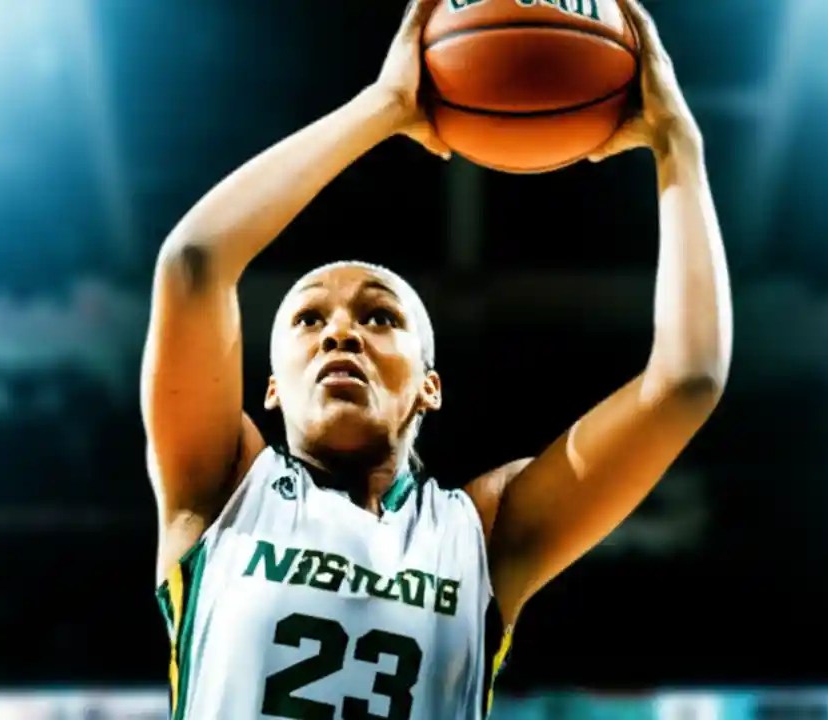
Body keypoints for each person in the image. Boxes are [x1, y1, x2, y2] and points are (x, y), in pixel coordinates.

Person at [140, 0, 733, 717]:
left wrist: (678, 147)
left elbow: (688, 380)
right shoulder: (220, 491)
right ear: (268, 390)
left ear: (430, 386)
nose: (341, 334)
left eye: (380, 316)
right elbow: (193, 262)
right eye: (307, 319)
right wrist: (383, 106)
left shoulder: (482, 532)